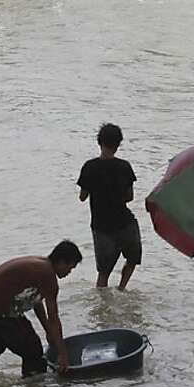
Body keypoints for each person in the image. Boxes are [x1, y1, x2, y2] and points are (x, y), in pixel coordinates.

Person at [0, 240, 82, 377]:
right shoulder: (48, 275)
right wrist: (63, 354)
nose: (69, 272)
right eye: (70, 268)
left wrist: (48, 331)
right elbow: (54, 318)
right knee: (33, 349)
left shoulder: (42, 266)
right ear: (61, 262)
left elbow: (36, 302)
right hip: (1, 308)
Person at [77, 123, 141, 290]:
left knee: (103, 272)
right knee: (133, 259)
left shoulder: (89, 167)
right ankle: (122, 288)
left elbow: (82, 197)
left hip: (101, 225)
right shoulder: (124, 167)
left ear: (99, 142)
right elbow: (130, 197)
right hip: (124, 222)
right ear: (118, 144)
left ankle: (103, 303)